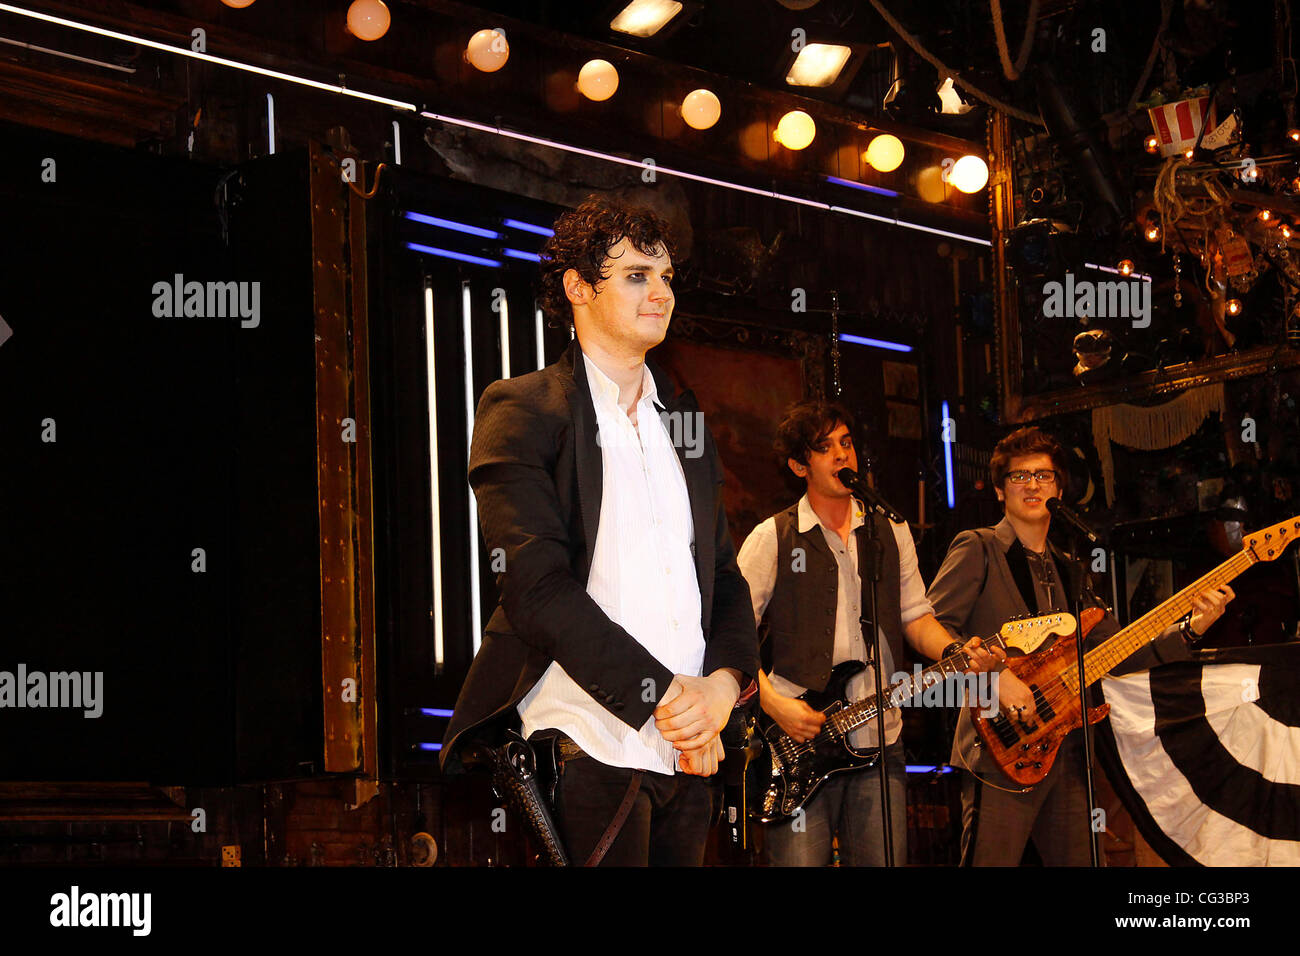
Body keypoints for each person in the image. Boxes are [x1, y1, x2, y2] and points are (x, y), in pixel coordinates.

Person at [440, 196, 760, 866]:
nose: (661, 292)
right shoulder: (521, 407)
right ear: (579, 288)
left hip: (688, 751)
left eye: (667, 277)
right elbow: (535, 587)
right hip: (587, 741)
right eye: (638, 275)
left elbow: (724, 577)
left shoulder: (684, 418)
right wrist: (664, 695)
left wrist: (720, 691)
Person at [926, 426, 1234, 865]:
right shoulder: (979, 548)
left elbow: (1121, 651)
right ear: (999, 490)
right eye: (1019, 476)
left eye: (1044, 476)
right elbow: (935, 631)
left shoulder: (1071, 568)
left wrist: (1190, 628)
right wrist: (996, 677)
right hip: (998, 745)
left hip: (1068, 750)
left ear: (1059, 489)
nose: (1032, 484)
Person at [736, 400, 1001, 866]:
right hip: (797, 741)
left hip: (880, 739)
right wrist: (775, 705)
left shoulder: (889, 529)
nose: (842, 455)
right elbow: (731, 634)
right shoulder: (772, 537)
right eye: (824, 448)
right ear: (800, 465)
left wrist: (958, 651)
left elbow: (915, 616)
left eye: (846, 442)